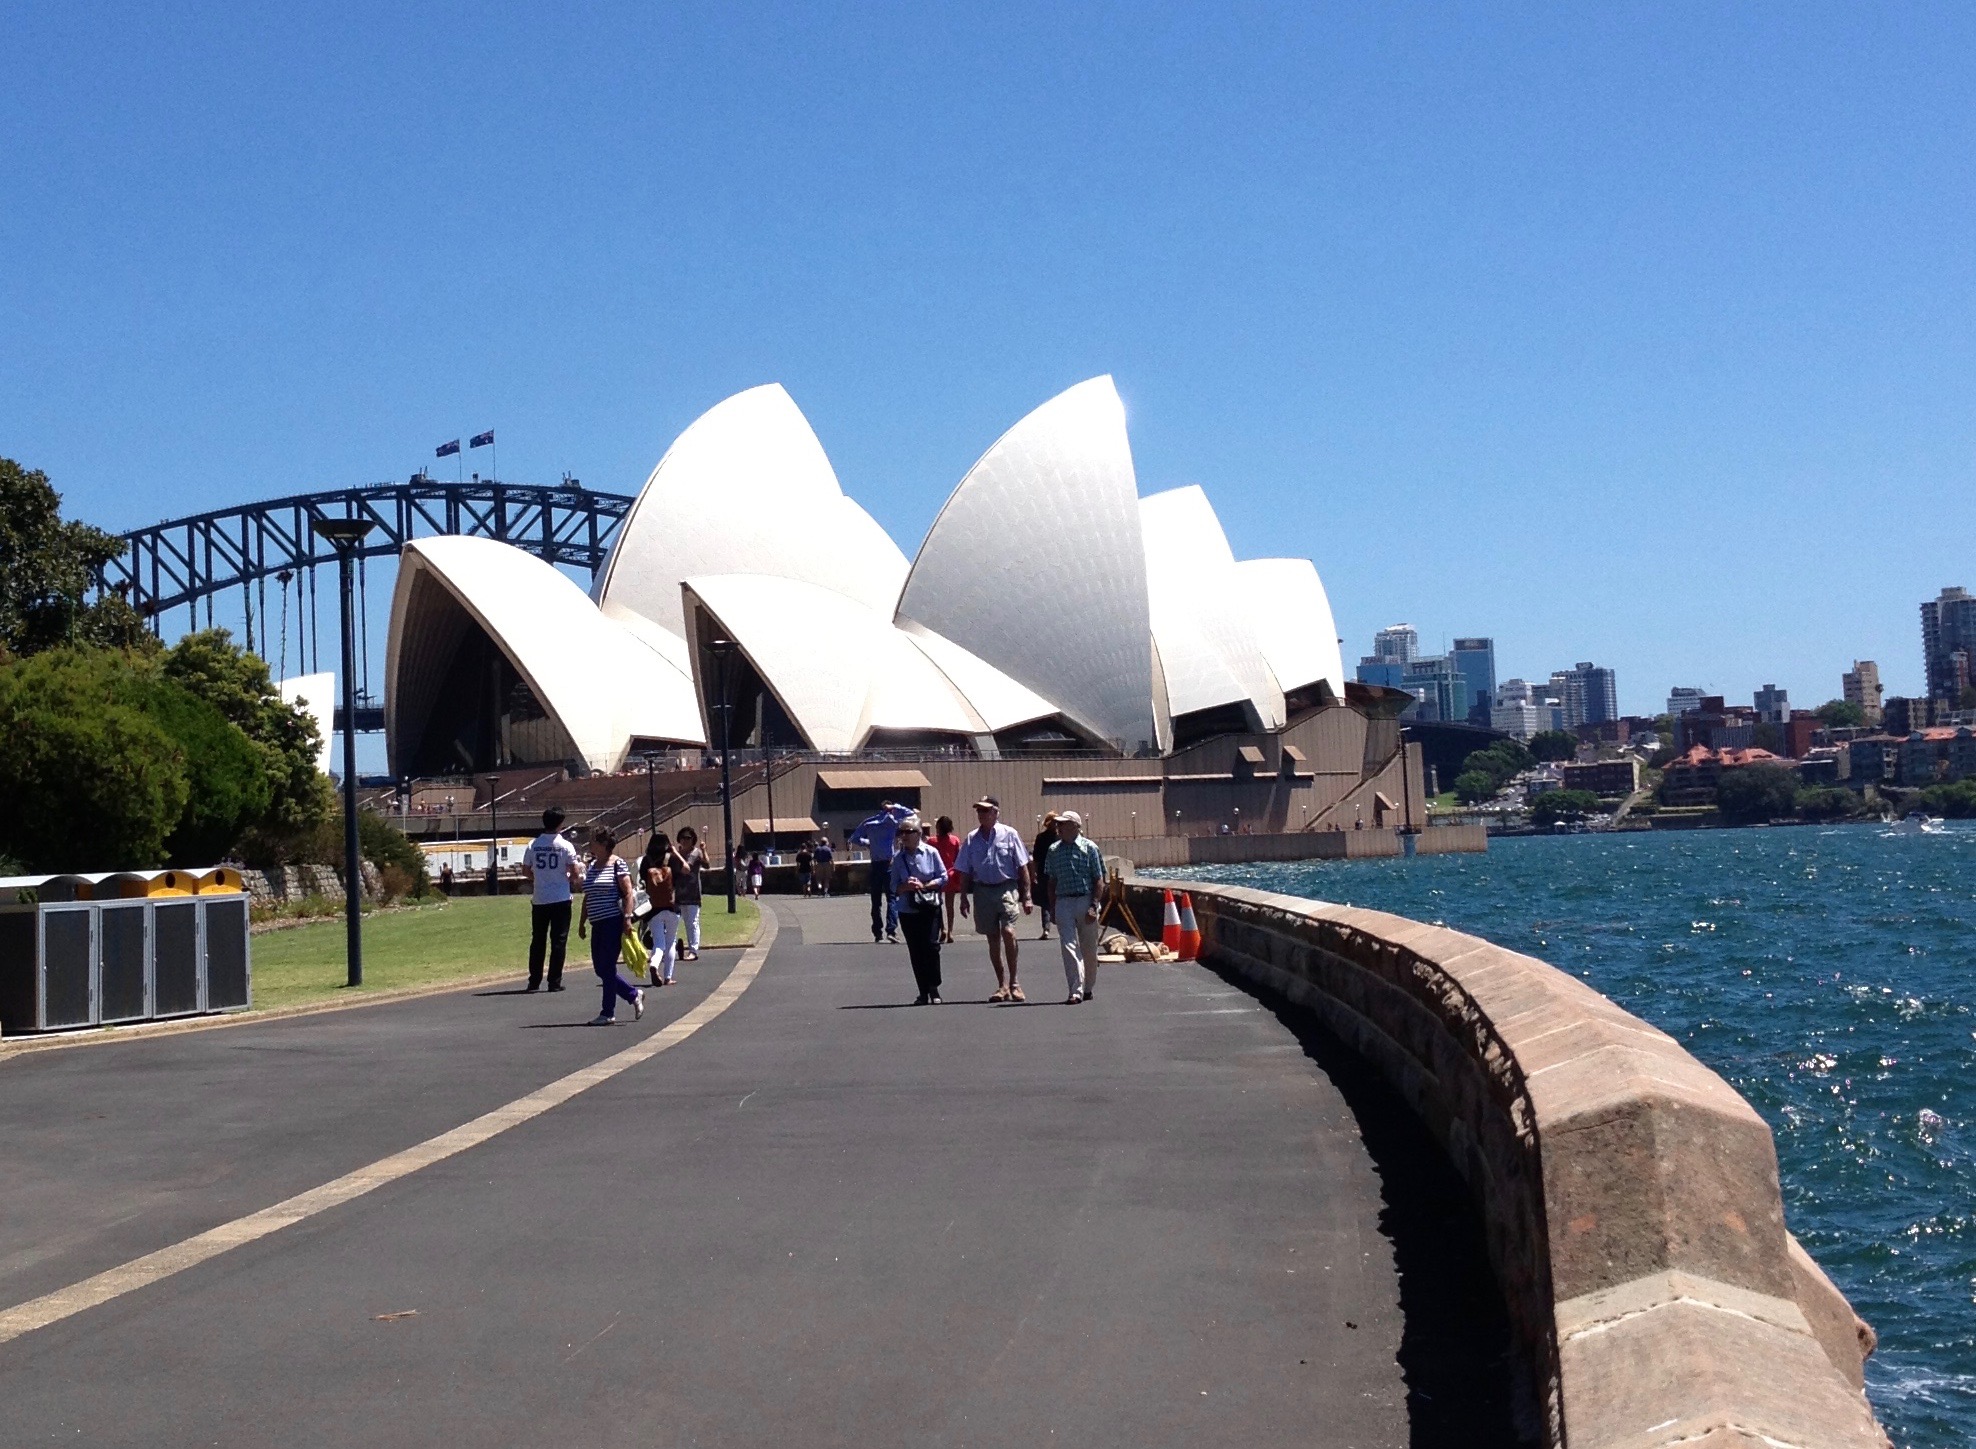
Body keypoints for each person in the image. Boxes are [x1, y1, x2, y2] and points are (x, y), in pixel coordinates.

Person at [953, 795, 1032, 1002]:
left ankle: (1015, 982)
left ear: (996, 813)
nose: (981, 814)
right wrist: (963, 897)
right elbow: (964, 870)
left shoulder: (1009, 834)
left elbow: (1022, 866)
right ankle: (1002, 985)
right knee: (992, 939)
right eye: (979, 811)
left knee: (1008, 931)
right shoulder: (971, 839)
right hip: (982, 890)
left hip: (1006, 888)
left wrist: (1027, 896)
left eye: (986, 810)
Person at [576, 828, 643, 1025]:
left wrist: (628, 918)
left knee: (607, 967)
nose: (590, 845)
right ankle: (632, 994)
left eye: (593, 842)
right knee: (600, 968)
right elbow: (589, 896)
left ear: (604, 844)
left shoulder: (617, 864)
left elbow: (628, 892)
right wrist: (581, 922)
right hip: (597, 923)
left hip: (613, 921)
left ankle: (608, 1012)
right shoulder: (593, 866)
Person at [1042, 810, 1108, 1004]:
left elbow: (1099, 879)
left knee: (1089, 949)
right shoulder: (1054, 850)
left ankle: (1088, 987)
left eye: (1063, 824)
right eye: (1058, 824)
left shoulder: (1090, 848)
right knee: (1068, 946)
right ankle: (1075, 990)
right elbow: (1051, 881)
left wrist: (1094, 905)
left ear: (1076, 827)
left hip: (1085, 900)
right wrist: (1053, 908)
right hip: (1064, 901)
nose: (1059, 828)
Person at [520, 808, 581, 993]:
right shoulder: (566, 846)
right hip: (561, 898)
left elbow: (525, 871)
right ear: (560, 824)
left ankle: (534, 980)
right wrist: (564, 878)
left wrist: (539, 878)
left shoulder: (533, 845)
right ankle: (554, 981)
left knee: (538, 940)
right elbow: (575, 873)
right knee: (558, 940)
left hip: (540, 898)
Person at [889, 816, 949, 1004]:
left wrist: (924, 885)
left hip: (930, 906)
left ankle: (934, 986)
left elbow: (943, 877)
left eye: (908, 831)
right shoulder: (898, 859)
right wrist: (906, 886)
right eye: (901, 832)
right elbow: (892, 888)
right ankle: (923, 991)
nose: (904, 836)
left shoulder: (931, 853)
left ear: (918, 834)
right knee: (916, 950)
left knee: (931, 946)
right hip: (908, 909)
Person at [851, 801, 913, 943]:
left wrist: (869, 842)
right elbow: (911, 814)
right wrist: (896, 807)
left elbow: (854, 838)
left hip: (875, 863)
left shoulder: (869, 822)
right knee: (892, 897)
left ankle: (877, 931)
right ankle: (891, 929)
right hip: (889, 863)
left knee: (876, 899)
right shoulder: (892, 822)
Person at [639, 832, 680, 987]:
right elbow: (684, 872)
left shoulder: (646, 860)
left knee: (658, 943)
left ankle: (654, 965)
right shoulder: (672, 859)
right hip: (671, 906)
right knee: (671, 942)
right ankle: (668, 977)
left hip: (653, 908)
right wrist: (675, 852)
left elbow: (642, 880)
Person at [670, 826, 707, 960]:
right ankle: (671, 950)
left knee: (692, 923)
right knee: (673, 923)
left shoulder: (695, 853)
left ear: (693, 840)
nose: (684, 841)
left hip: (692, 893)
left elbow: (686, 868)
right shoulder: (676, 856)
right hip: (678, 893)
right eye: (682, 838)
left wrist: (676, 854)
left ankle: (693, 950)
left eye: (688, 838)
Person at [929, 814, 963, 944]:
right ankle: (950, 931)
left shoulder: (932, 841)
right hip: (951, 874)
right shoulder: (954, 840)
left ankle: (942, 928)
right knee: (950, 906)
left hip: (937, 875)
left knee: (938, 905)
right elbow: (958, 858)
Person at [1031, 812, 1060, 940]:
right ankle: (1046, 929)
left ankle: (1061, 926)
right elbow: (1036, 858)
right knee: (1045, 901)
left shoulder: (1061, 837)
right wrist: (1034, 873)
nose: (1055, 824)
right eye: (1053, 821)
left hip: (1059, 873)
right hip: (1044, 872)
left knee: (1060, 899)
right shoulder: (1041, 838)